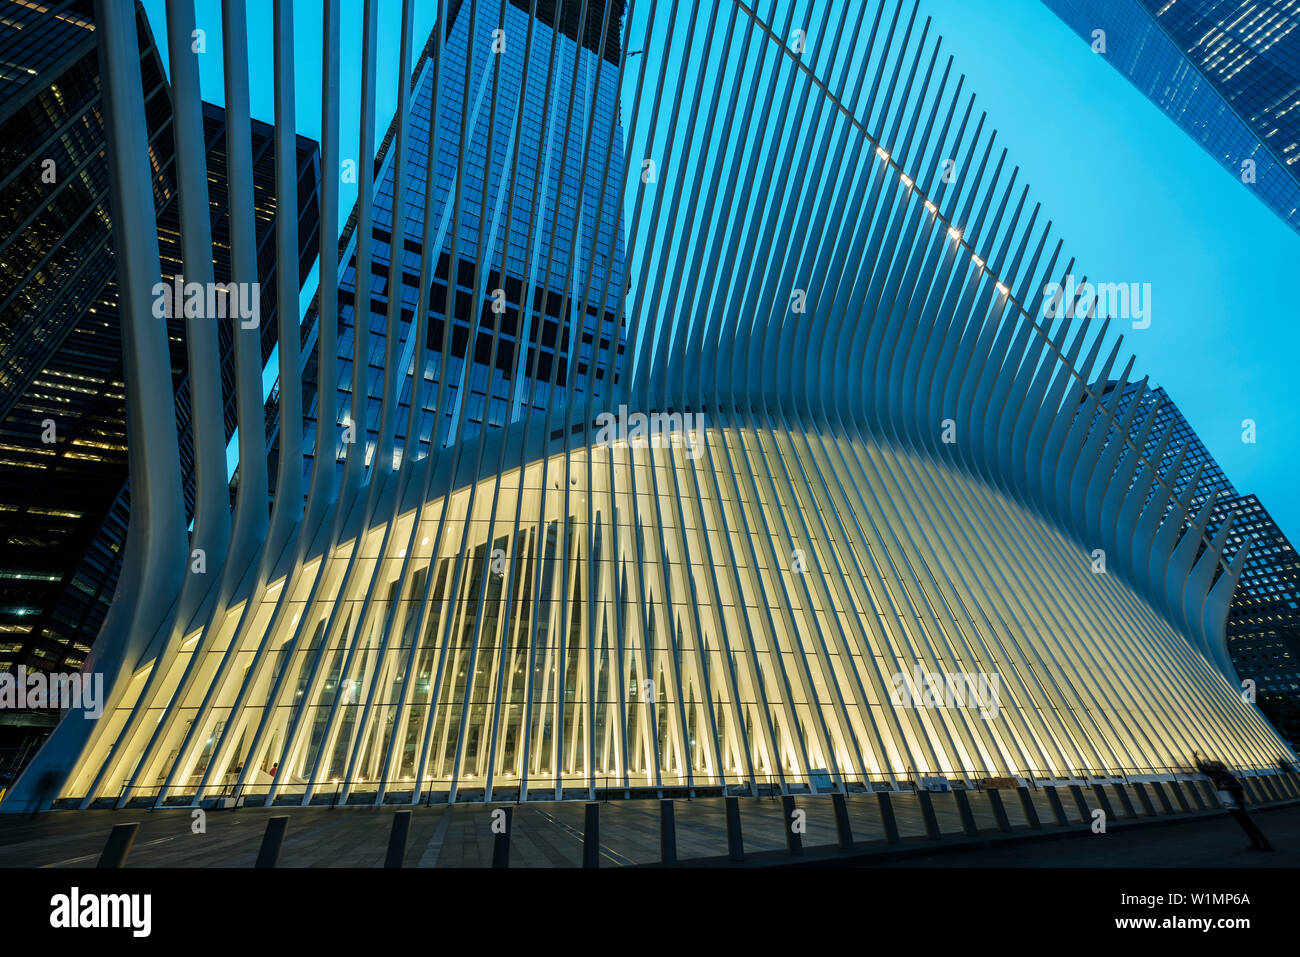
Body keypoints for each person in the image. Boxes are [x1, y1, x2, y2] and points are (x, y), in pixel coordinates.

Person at [1194, 755, 1272, 852]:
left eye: (1214, 764)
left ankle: (1266, 845)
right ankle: (1256, 843)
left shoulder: (1226, 775)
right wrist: (1196, 759)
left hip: (1236, 802)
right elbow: (1203, 770)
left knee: (1249, 824)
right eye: (1211, 765)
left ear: (1220, 766)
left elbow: (1239, 787)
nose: (1212, 766)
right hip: (1230, 803)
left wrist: (1226, 787)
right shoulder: (1215, 774)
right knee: (1244, 825)